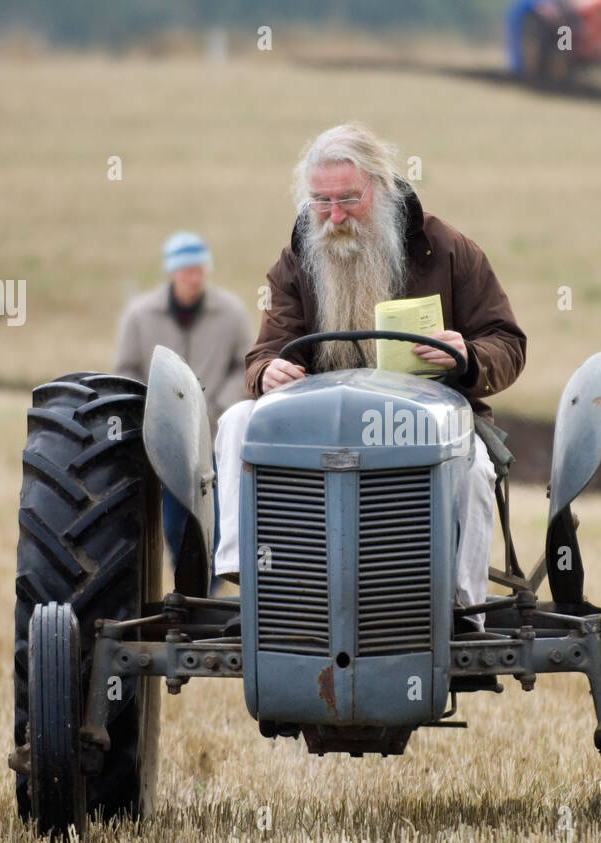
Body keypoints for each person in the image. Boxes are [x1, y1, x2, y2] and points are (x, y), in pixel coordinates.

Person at [213, 122, 527, 618]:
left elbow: (508, 343)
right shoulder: (298, 256)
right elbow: (265, 351)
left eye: (348, 199)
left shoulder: (447, 249)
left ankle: (464, 611)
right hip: (322, 425)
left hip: (427, 423)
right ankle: (243, 571)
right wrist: (267, 371)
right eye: (320, 201)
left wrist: (466, 354)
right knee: (236, 422)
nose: (334, 216)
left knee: (478, 469)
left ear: (380, 187)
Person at [113, 231, 253, 567]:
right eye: (187, 271)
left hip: (215, 436)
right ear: (172, 272)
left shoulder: (232, 313)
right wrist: (156, 410)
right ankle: (188, 584)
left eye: (200, 270)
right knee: (174, 524)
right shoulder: (139, 315)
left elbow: (244, 365)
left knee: (221, 519)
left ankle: (210, 588)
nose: (194, 278)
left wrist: (218, 405)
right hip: (165, 441)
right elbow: (126, 370)